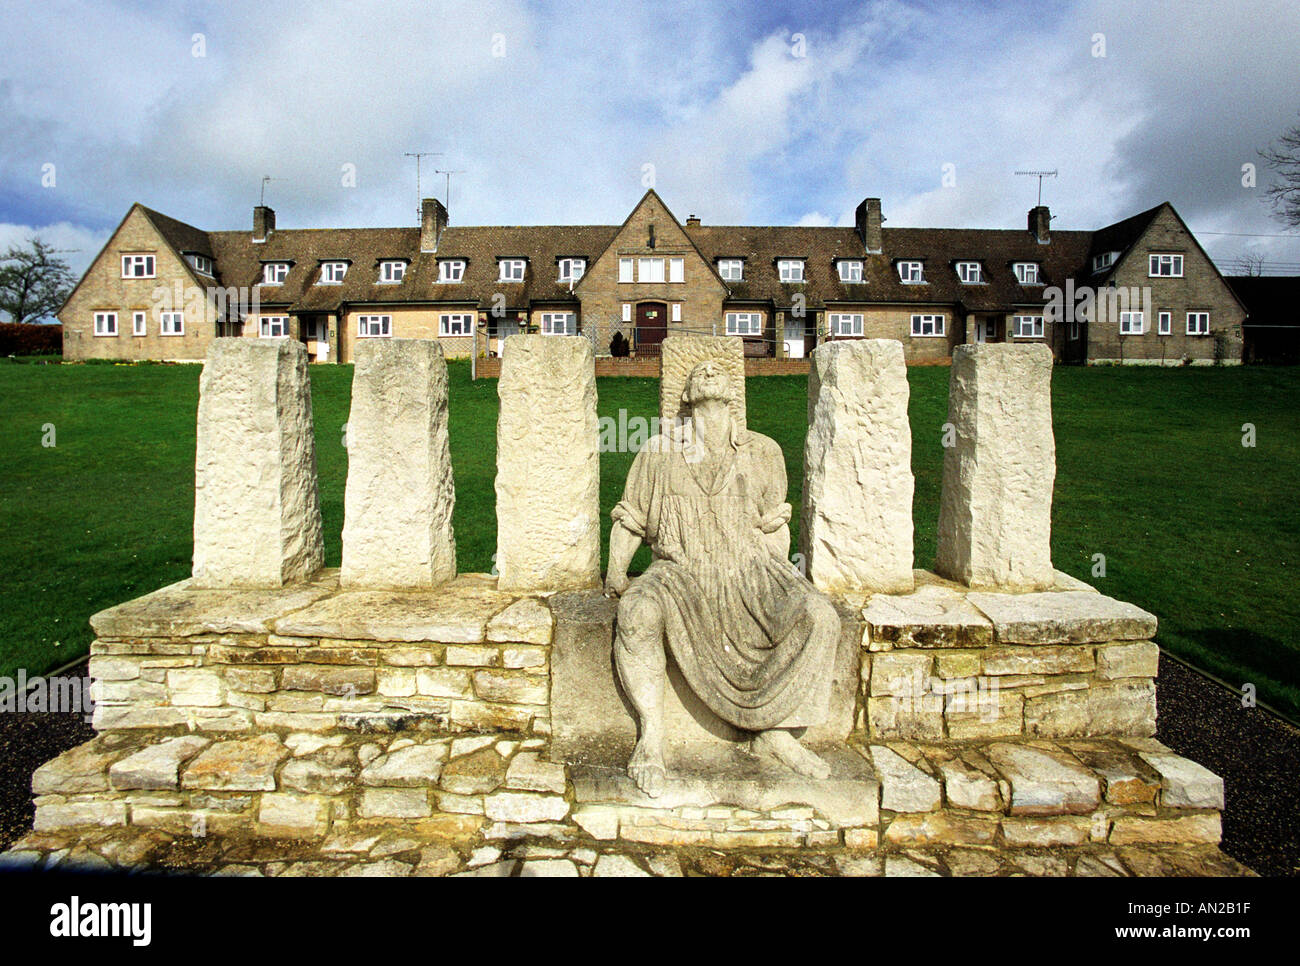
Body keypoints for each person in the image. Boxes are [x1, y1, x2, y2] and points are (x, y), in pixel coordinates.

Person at [605, 359, 840, 797]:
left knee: (819, 617)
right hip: (678, 570)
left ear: (734, 392)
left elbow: (773, 526)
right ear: (687, 395)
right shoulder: (657, 451)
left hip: (749, 567)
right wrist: (617, 570)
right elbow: (632, 518)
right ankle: (651, 738)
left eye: (718, 368)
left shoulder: (764, 451)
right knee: (635, 614)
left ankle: (774, 730)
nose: (709, 369)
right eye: (700, 370)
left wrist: (783, 581)